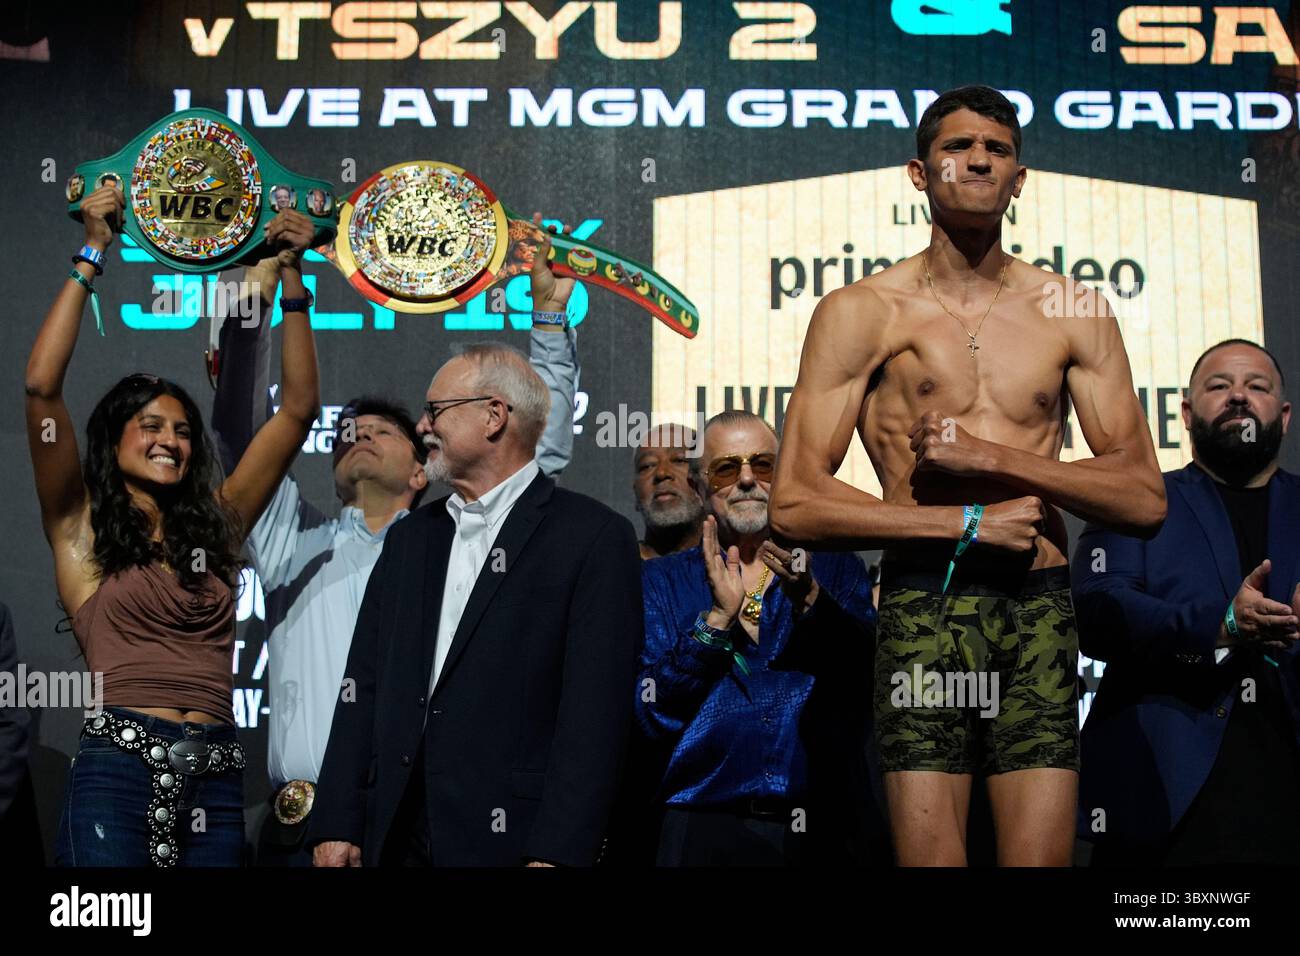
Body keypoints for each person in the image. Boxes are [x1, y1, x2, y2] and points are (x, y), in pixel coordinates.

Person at [768, 85, 1166, 866]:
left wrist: (998, 462)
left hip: (1040, 609)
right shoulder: (862, 310)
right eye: (957, 147)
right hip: (926, 606)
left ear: (1019, 181)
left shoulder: (1072, 309)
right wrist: (963, 523)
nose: (978, 159)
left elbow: (1144, 496)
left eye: (998, 149)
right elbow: (795, 500)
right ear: (920, 173)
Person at [211, 214, 582, 865]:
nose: (356, 433)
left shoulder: (457, 545)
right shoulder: (289, 543)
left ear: (421, 468)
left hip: (419, 833)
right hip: (304, 838)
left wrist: (549, 318)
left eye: (380, 429)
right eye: (346, 431)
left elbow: (531, 453)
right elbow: (241, 431)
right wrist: (259, 287)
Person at [26, 184, 320, 866]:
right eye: (151, 426)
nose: (171, 441)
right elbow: (42, 388)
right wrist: (93, 252)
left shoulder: (219, 523)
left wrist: (295, 277)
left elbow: (299, 410)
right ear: (116, 439)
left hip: (215, 775)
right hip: (116, 773)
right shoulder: (80, 525)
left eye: (183, 430)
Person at [308, 344, 642, 866]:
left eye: (436, 410)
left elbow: (595, 717)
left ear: (493, 415)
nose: (423, 426)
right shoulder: (410, 539)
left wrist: (558, 850)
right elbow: (363, 685)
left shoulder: (593, 538)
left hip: (515, 841)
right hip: (396, 837)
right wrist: (337, 820)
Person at [1074, 339, 1300, 865]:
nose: (1238, 397)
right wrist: (1221, 626)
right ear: (1185, 413)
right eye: (1219, 386)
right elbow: (1096, 609)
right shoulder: (1136, 502)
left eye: (1257, 387)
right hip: (1165, 794)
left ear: (1284, 417)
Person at [637, 410, 881, 865]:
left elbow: (866, 680)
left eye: (763, 465)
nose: (747, 480)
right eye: (727, 468)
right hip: (699, 827)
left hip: (822, 829)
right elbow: (649, 714)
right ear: (698, 485)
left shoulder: (833, 566)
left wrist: (811, 601)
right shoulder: (658, 584)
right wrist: (714, 624)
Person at [633, 424, 705, 559]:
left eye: (679, 460)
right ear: (635, 491)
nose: (661, 473)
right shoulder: (612, 565)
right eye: (647, 465)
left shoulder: (741, 568)